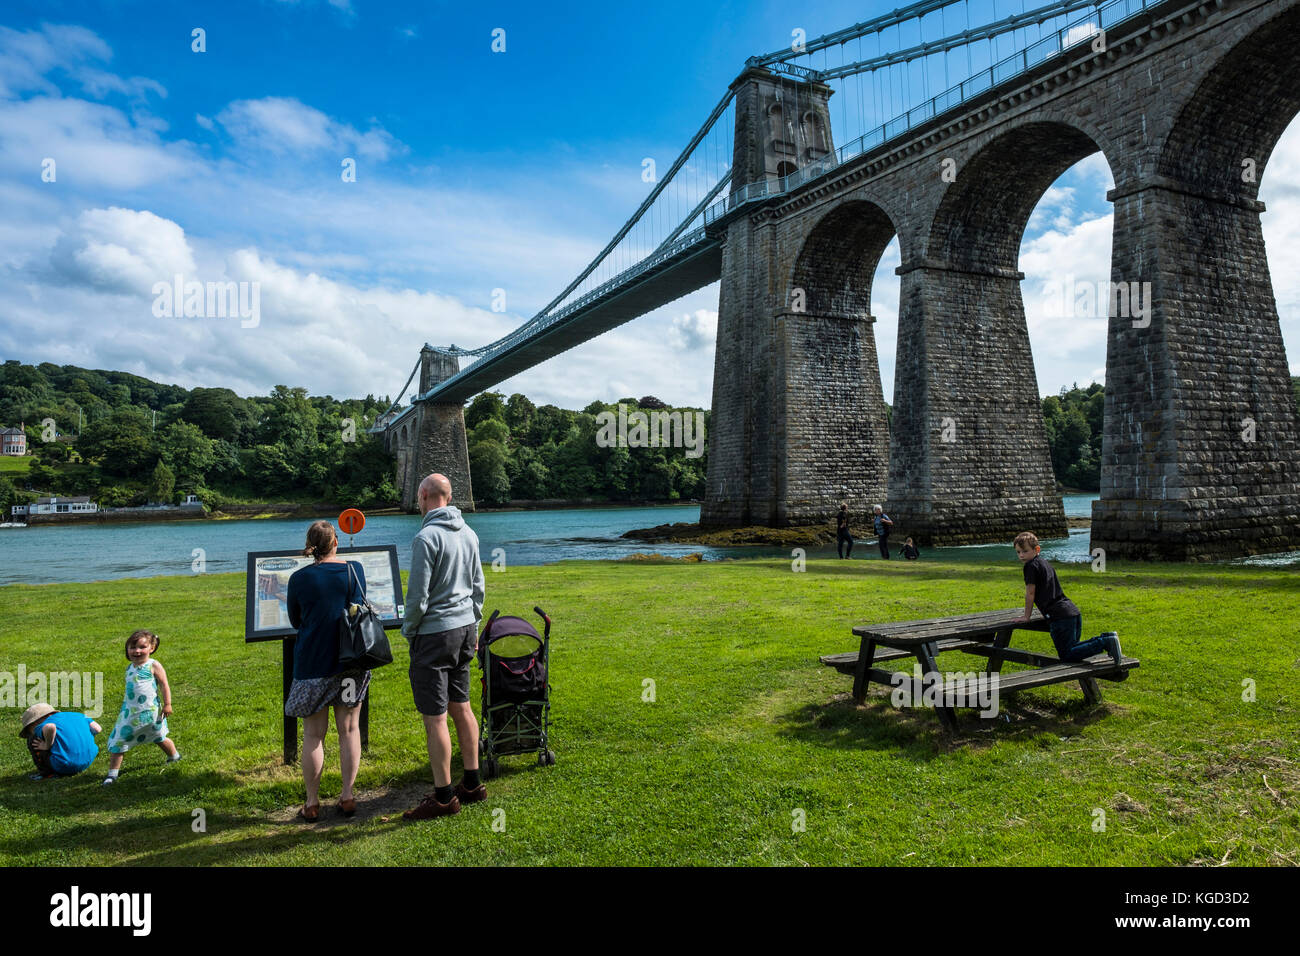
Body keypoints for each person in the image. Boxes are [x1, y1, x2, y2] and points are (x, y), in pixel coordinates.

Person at [402, 473, 486, 821]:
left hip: (435, 634)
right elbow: (478, 587)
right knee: (462, 707)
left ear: (423, 496)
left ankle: (442, 796)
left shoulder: (426, 538)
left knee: (435, 717)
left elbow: (418, 597)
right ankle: (473, 782)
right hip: (465, 629)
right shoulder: (469, 533)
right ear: (449, 498)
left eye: (418, 498)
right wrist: (475, 623)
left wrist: (410, 631)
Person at [285, 520, 369, 821]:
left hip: (312, 664)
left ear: (311, 546)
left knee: (313, 736)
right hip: (349, 663)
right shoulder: (353, 570)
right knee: (348, 730)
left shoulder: (298, 579)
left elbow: (296, 620)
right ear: (336, 543)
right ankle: (347, 796)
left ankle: (311, 802)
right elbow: (358, 608)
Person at [1013, 532, 1121, 665]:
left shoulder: (1030, 566)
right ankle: (1108, 637)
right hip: (1072, 612)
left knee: (1067, 655)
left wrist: (1026, 616)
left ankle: (1105, 642)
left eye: (1025, 551)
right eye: (1018, 552)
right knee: (1074, 649)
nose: (1021, 555)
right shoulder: (1044, 563)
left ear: (1037, 550)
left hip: (1059, 617)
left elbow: (1030, 593)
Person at [102, 629, 180, 784]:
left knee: (158, 736)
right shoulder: (130, 668)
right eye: (132, 647)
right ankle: (112, 774)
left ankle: (174, 756)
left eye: (142, 647)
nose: (137, 651)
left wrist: (168, 704)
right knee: (119, 740)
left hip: (150, 711)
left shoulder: (153, 665)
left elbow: (164, 684)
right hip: (130, 712)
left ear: (151, 648)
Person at [19, 703, 101, 779]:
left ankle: (46, 773)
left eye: (30, 729)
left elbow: (50, 727)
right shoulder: (79, 715)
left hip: (65, 766)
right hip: (88, 760)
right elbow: (97, 729)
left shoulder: (42, 724)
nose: (32, 731)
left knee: (32, 739)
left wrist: (47, 745)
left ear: (35, 722)